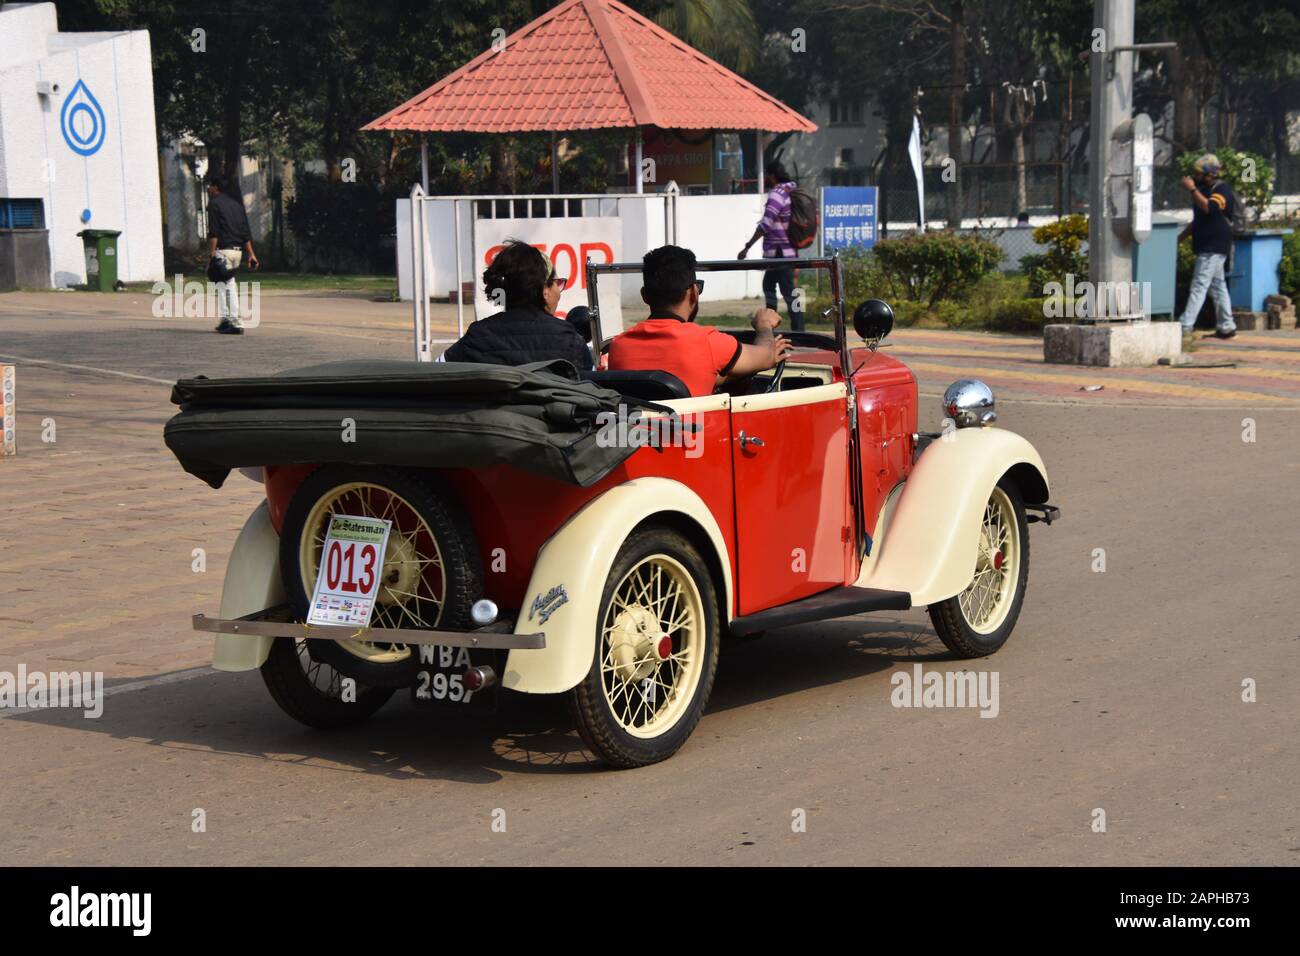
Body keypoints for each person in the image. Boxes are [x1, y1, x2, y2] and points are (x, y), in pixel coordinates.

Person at [608, 244, 792, 398]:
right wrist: (764, 325)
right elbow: (767, 355)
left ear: (645, 296)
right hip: (696, 439)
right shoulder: (707, 341)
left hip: (634, 439)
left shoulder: (618, 346)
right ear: (694, 292)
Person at [441, 240, 593, 368]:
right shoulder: (569, 340)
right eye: (557, 283)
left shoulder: (476, 337)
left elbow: (437, 372)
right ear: (544, 289)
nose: (559, 291)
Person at [737, 161, 805, 332]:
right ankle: (774, 323)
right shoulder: (786, 192)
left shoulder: (777, 194)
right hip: (784, 251)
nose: (765, 177)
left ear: (772, 175)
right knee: (771, 286)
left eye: (767, 174)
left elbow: (766, 224)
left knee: (788, 291)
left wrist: (747, 246)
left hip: (780, 251)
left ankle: (798, 328)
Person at [1176, 153, 1237, 339]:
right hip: (1207, 247)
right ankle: (1227, 326)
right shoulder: (1203, 189)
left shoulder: (1222, 190)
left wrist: (1192, 190)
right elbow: (1198, 220)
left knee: (1199, 285)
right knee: (1217, 286)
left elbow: (1209, 208)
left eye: (1199, 173)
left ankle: (1184, 326)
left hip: (1214, 247)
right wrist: (1181, 237)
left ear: (1210, 174)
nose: (1195, 177)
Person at [206, 175, 258, 335]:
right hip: (237, 252)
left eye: (210, 185)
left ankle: (235, 321)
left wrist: (211, 253)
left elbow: (214, 232)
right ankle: (225, 320)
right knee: (222, 285)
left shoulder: (214, 204)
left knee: (228, 286)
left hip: (224, 250)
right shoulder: (237, 205)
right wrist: (251, 254)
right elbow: (245, 232)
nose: (208, 188)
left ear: (216, 188)